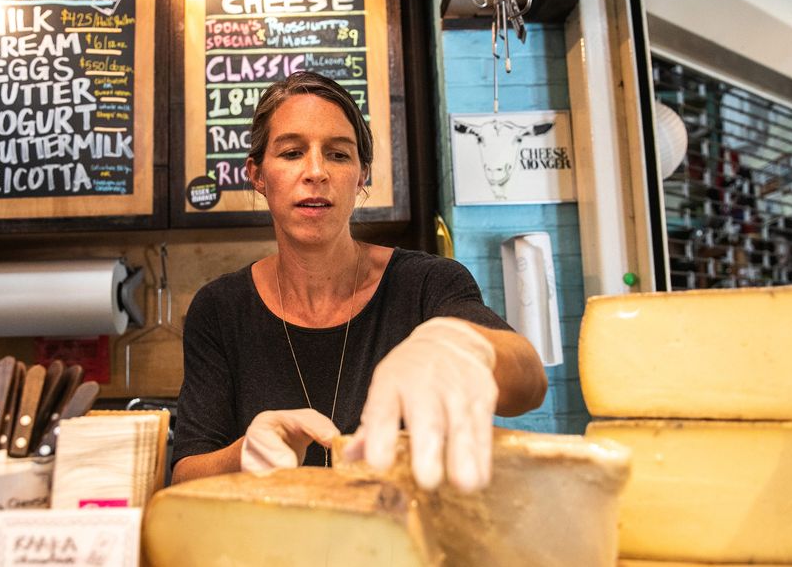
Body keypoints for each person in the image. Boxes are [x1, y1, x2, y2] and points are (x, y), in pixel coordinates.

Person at [173, 71, 547, 492]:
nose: (316, 172)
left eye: (338, 155)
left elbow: (530, 384)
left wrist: (465, 346)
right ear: (258, 175)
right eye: (292, 152)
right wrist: (242, 453)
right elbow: (184, 473)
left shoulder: (427, 285)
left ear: (361, 175)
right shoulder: (220, 309)